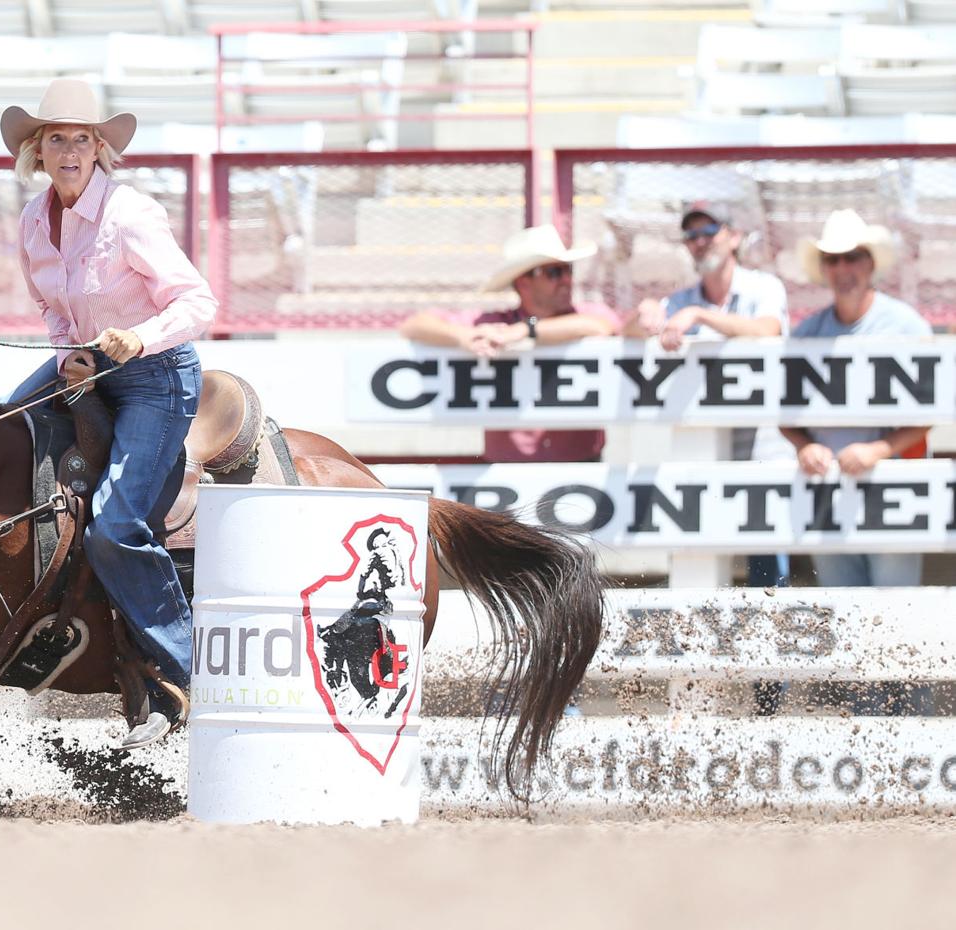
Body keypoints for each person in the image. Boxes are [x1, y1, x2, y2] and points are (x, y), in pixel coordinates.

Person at [0, 79, 217, 749]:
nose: (69, 150)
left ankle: (186, 672)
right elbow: (53, 307)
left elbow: (197, 302)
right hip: (90, 364)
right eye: (56, 138)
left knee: (116, 527)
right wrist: (68, 353)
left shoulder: (130, 214)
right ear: (38, 151)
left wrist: (139, 338)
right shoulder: (34, 221)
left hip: (156, 378)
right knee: (0, 444)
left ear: (99, 149)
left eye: (81, 139)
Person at [624, 202, 793, 714]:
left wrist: (697, 316)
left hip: (762, 448)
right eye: (692, 234)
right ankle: (703, 696)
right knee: (701, 563)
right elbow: (630, 332)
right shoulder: (680, 300)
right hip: (701, 454)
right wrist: (642, 315)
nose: (700, 241)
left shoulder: (761, 287)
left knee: (768, 571)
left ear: (734, 236)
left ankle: (771, 699)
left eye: (709, 231)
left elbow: (769, 330)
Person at [783, 209, 933, 716]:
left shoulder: (904, 325)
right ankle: (866, 728)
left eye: (852, 257)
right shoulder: (808, 333)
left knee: (895, 610)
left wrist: (880, 449)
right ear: (824, 268)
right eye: (833, 259)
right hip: (831, 494)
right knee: (845, 611)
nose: (843, 268)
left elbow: (929, 413)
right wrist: (803, 444)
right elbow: (784, 413)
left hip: (890, 492)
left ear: (869, 264)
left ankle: (910, 728)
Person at [399, 224, 619, 464]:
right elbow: (413, 325)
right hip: (506, 468)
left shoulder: (584, 313)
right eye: (554, 272)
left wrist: (525, 329)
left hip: (580, 464)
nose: (566, 280)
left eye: (568, 270)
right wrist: (463, 336)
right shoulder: (493, 324)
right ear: (524, 282)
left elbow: (602, 326)